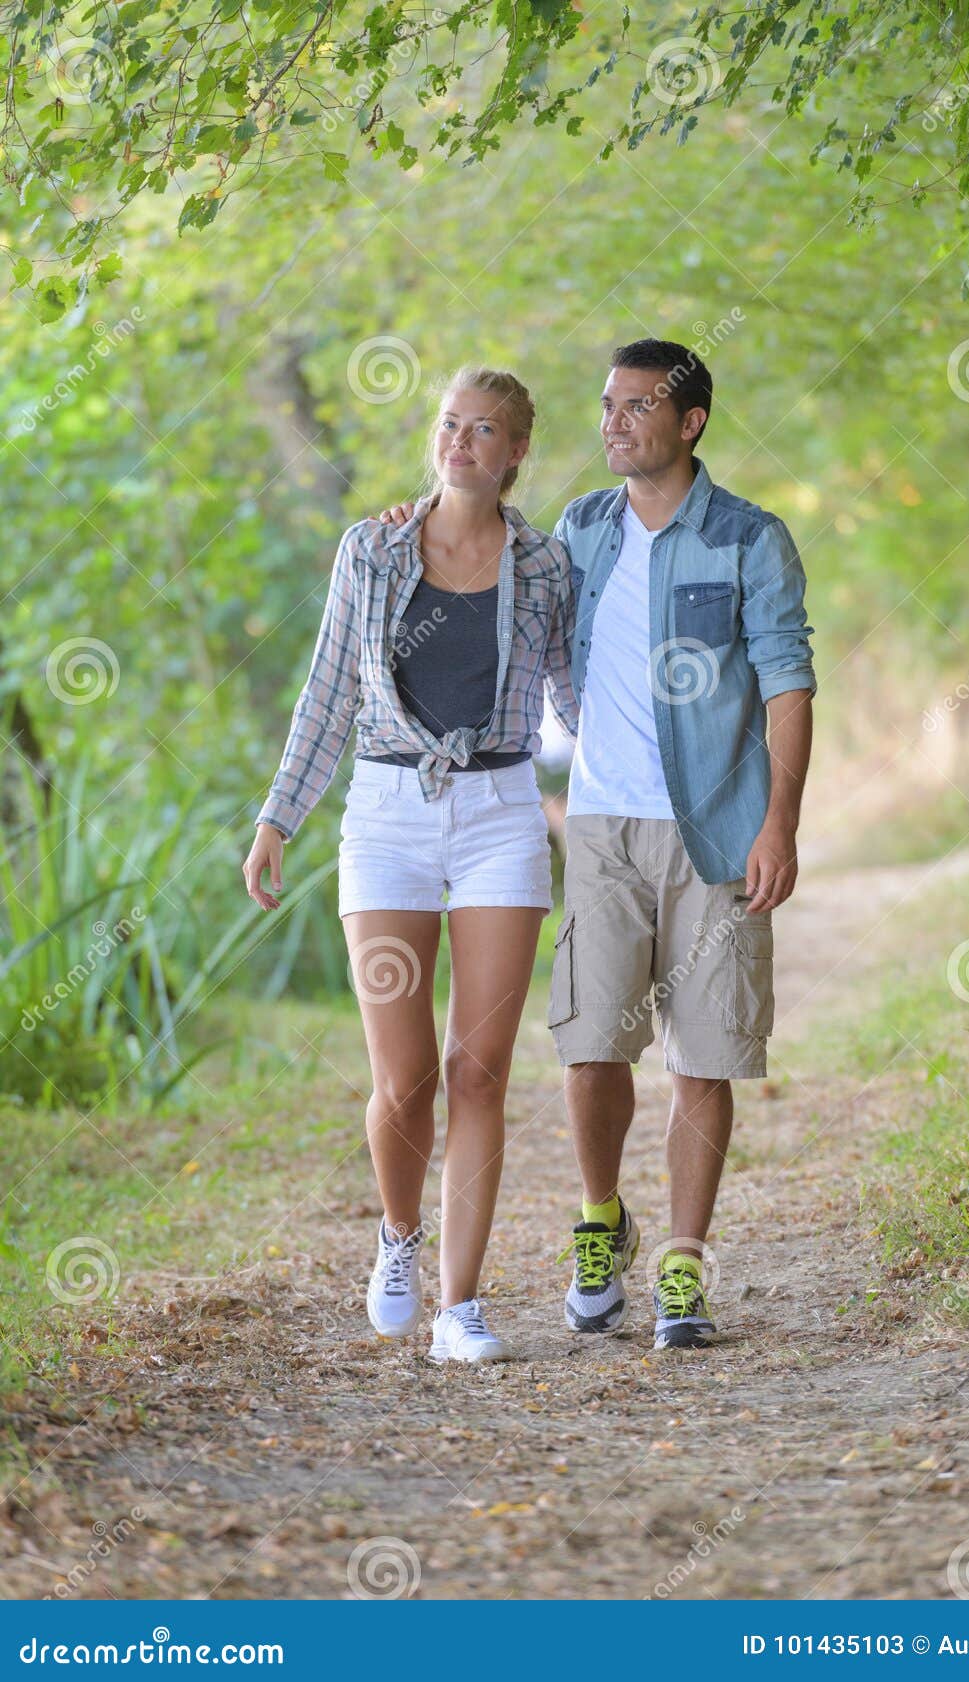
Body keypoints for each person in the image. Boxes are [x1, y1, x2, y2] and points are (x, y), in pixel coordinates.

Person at [378, 336, 817, 1354]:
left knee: (701, 1056)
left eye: (633, 408)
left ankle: (681, 1261)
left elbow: (788, 686)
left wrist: (778, 820)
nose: (612, 422)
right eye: (606, 405)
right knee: (589, 1048)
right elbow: (480, 548)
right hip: (605, 828)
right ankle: (597, 1215)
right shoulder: (578, 531)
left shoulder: (749, 540)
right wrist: (417, 521)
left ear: (687, 422)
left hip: (716, 826)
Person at [243, 366, 578, 1364]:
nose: (460, 441)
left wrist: (623, 805)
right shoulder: (373, 547)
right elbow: (325, 694)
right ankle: (397, 1235)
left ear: (517, 450)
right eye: (448, 424)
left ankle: (459, 1307)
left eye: (484, 429)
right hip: (387, 812)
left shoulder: (548, 566)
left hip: (500, 812)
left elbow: (578, 695)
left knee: (478, 1071)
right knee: (405, 1080)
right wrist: (278, 818)